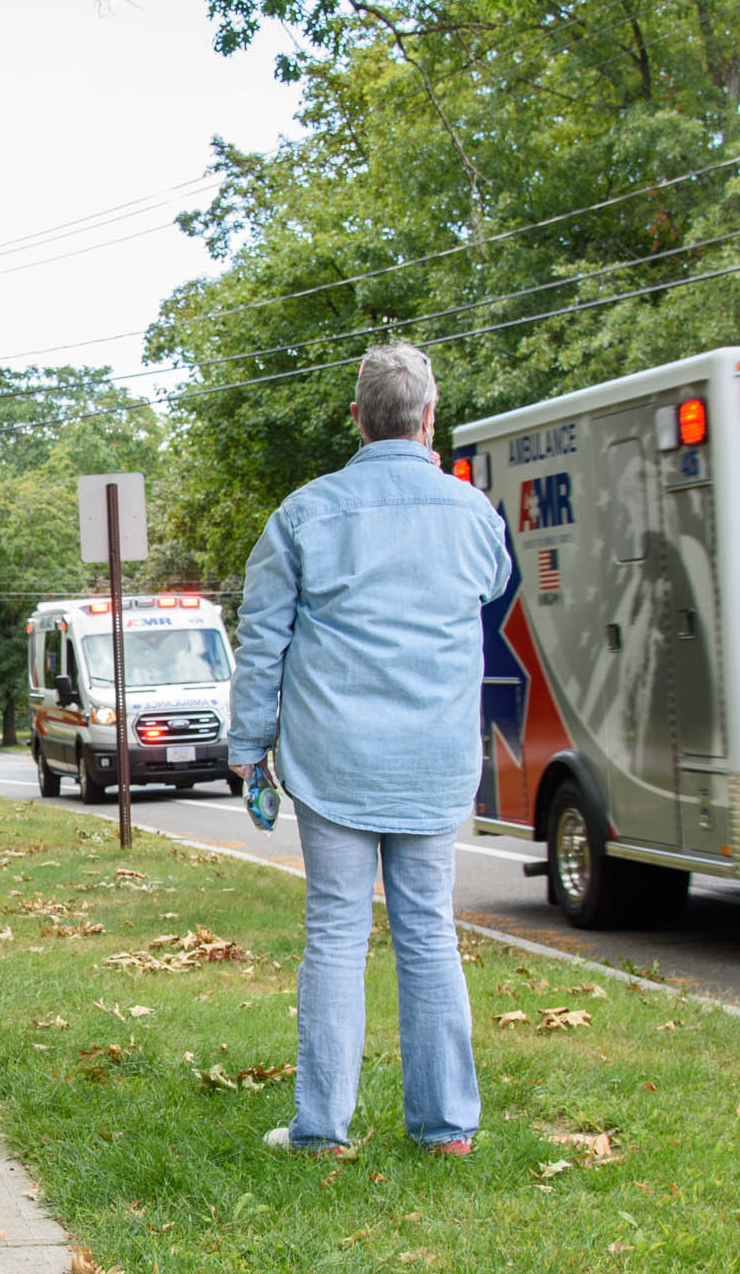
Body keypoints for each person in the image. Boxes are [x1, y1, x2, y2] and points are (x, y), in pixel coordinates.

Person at [226, 343, 511, 1156]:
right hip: (433, 759)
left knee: (337, 934)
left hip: (334, 760)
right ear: (429, 418)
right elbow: (489, 587)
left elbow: (264, 640)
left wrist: (251, 746)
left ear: (356, 420)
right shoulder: (472, 514)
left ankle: (322, 1129)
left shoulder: (305, 514)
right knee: (428, 933)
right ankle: (447, 1127)